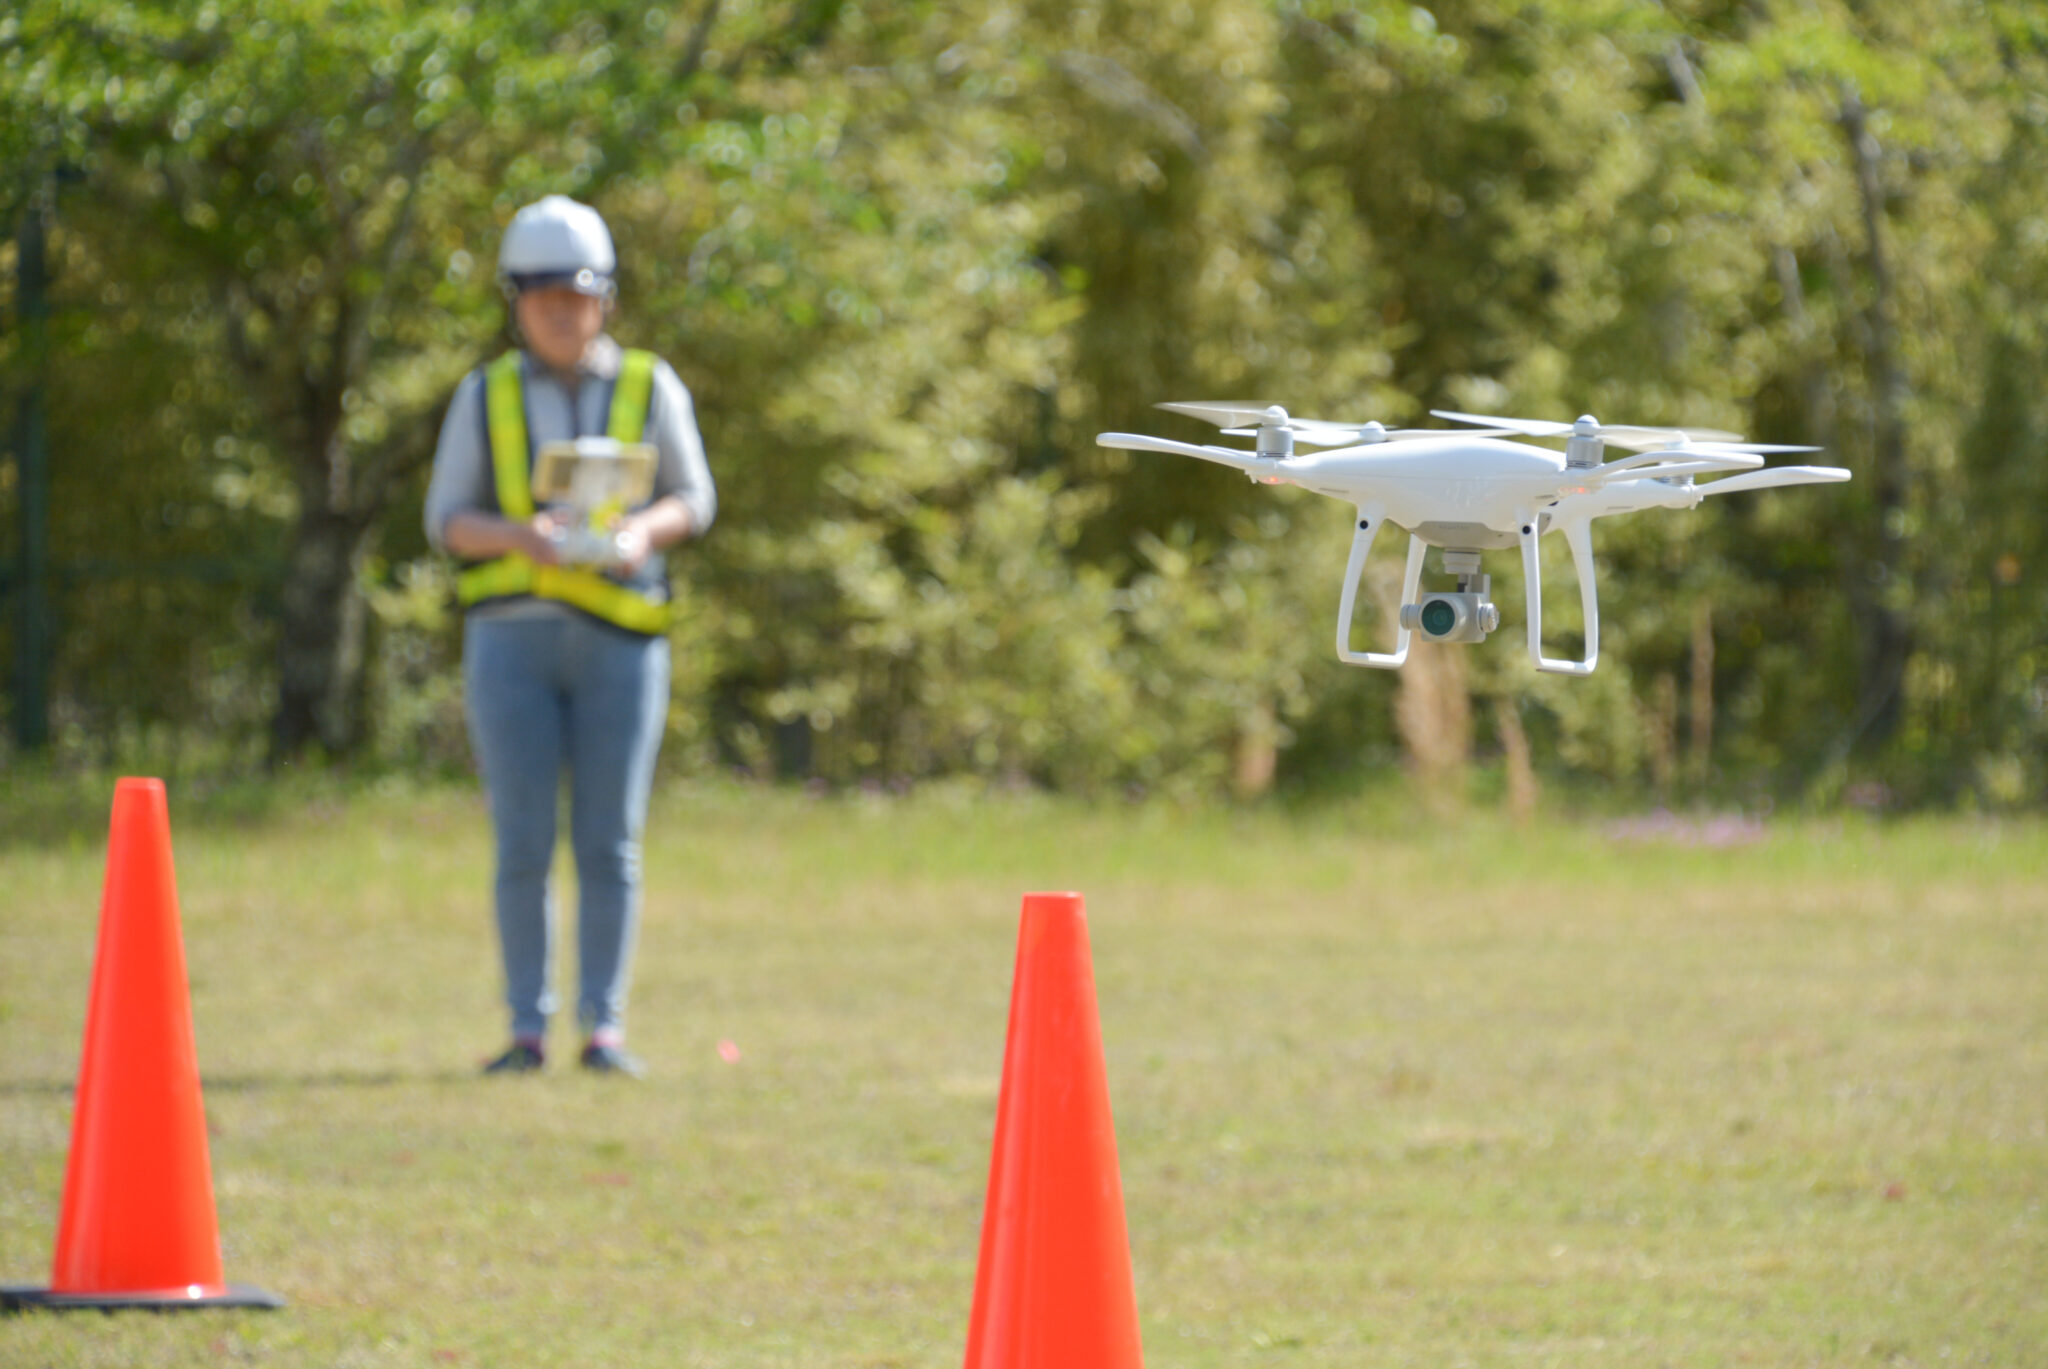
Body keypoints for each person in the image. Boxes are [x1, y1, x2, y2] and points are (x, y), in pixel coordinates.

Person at [424, 195, 716, 1077]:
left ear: (607, 299)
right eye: (542, 293)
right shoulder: (485, 395)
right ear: (515, 301)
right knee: (521, 840)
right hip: (512, 643)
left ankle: (605, 1028)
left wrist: (641, 535)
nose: (561, 309)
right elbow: (446, 519)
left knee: (609, 841)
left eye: (577, 293)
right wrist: (521, 536)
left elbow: (695, 498)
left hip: (622, 643)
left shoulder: (650, 385)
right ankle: (525, 1028)